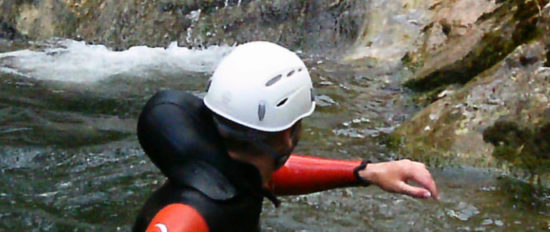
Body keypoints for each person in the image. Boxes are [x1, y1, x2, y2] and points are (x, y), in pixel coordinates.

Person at [132, 41, 439, 232]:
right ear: (286, 136)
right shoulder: (191, 214)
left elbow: (271, 175)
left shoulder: (232, 173)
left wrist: (367, 172)